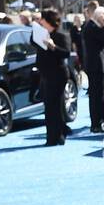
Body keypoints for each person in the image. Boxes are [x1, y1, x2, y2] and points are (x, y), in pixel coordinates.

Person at [34, 8, 72, 146]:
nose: (41, 21)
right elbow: (32, 41)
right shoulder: (41, 33)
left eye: (43, 19)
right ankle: (54, 135)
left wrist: (53, 47)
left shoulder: (61, 35)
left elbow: (66, 53)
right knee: (49, 105)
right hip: (45, 73)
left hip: (58, 73)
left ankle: (57, 135)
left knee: (54, 105)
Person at [82, 5, 104, 132]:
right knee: (96, 95)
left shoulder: (93, 27)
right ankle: (97, 123)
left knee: (101, 94)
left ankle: (103, 120)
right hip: (95, 65)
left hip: (99, 65)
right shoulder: (91, 27)